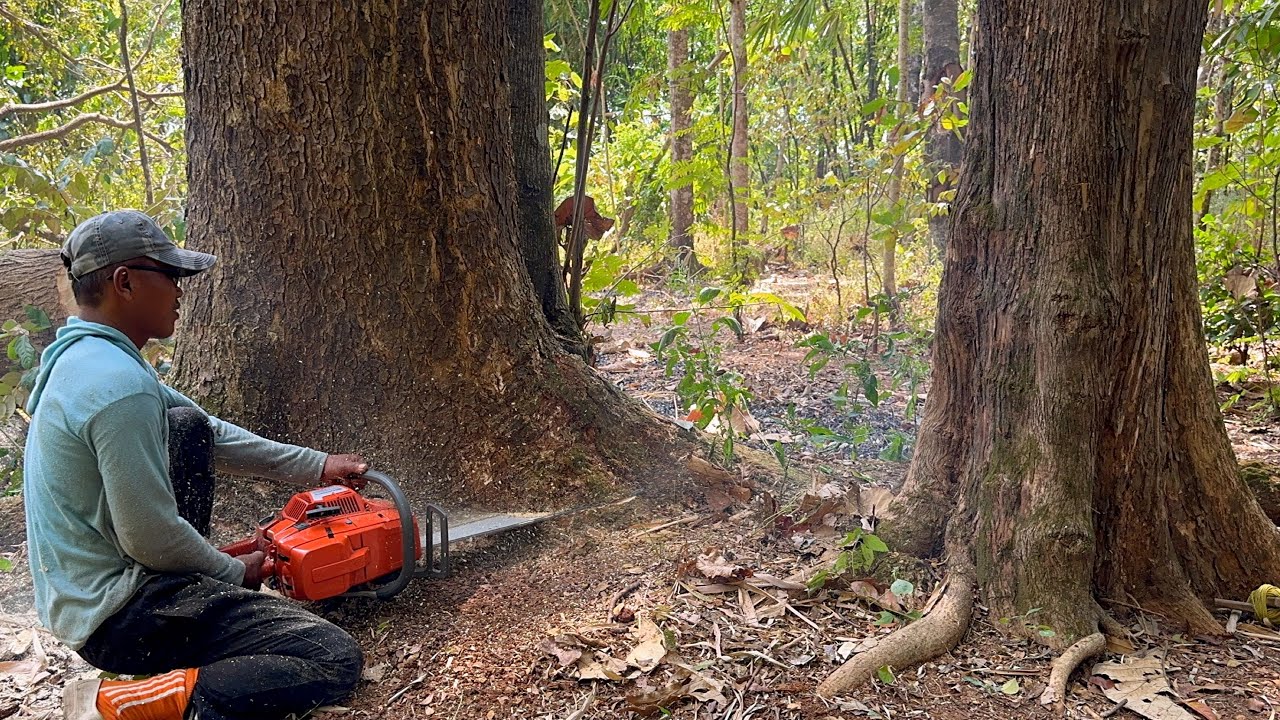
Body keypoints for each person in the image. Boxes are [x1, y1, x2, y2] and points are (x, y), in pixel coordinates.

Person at [23, 209, 366, 720]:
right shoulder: (117, 387)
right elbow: (150, 537)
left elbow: (211, 431)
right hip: (121, 616)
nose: (182, 291)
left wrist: (318, 467)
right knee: (331, 656)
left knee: (187, 427)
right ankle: (117, 705)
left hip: (90, 598)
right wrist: (230, 571)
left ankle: (185, 620)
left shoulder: (88, 359)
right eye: (171, 276)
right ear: (125, 282)